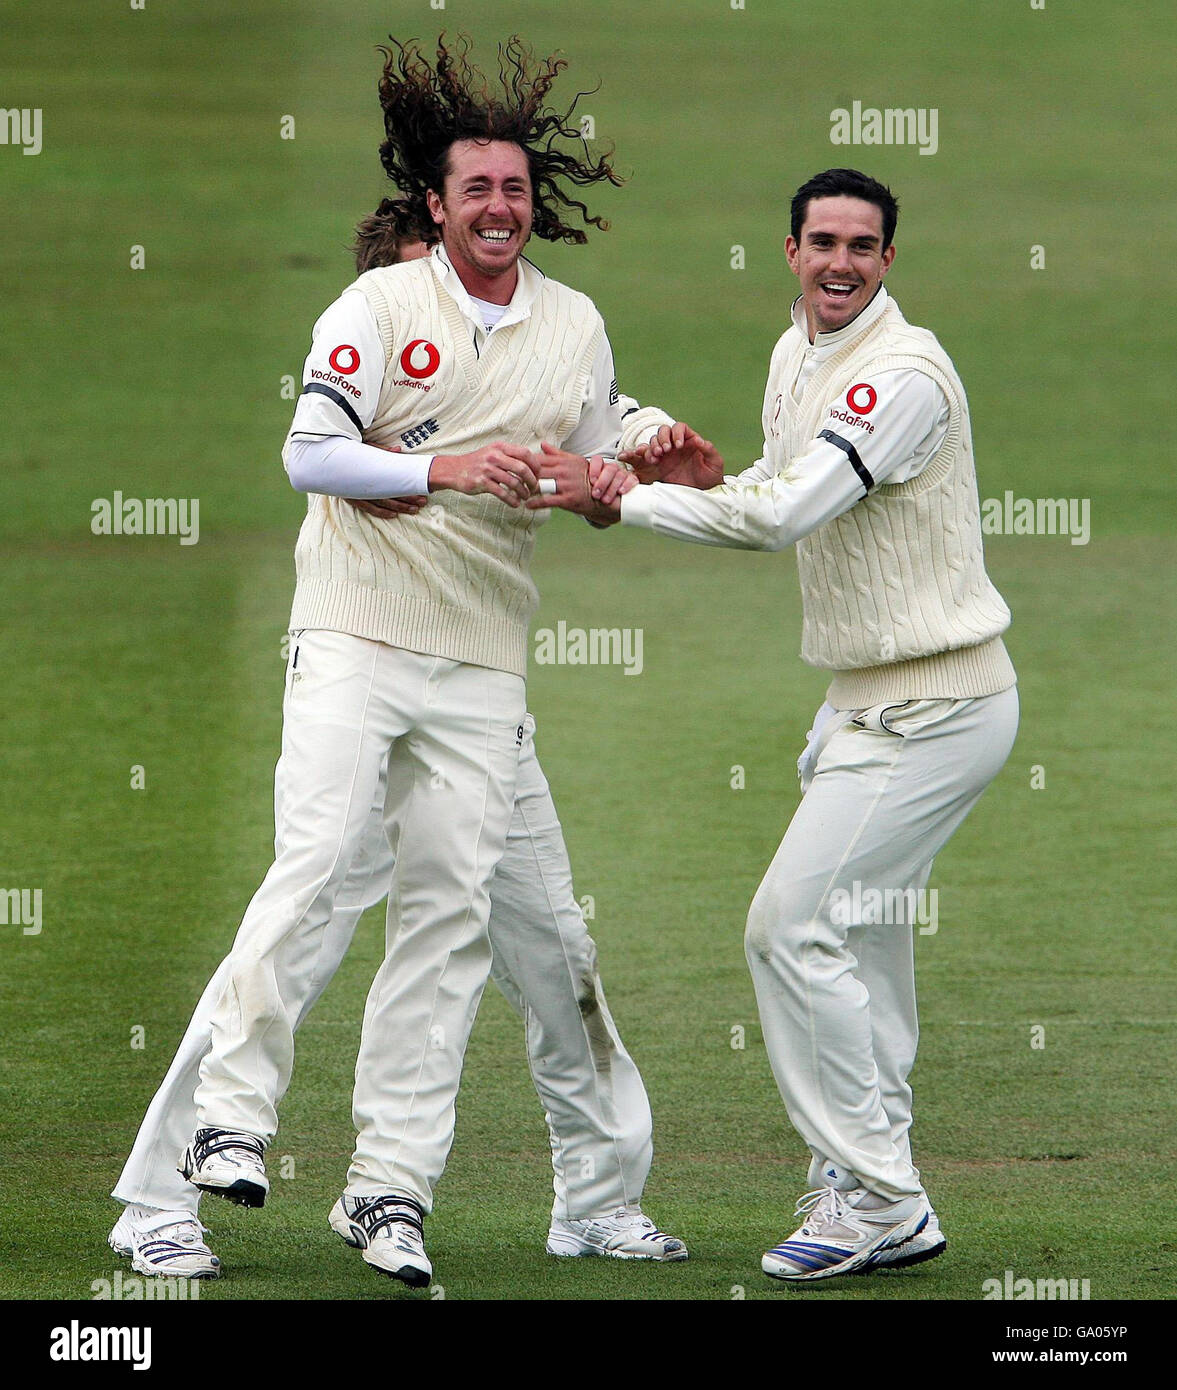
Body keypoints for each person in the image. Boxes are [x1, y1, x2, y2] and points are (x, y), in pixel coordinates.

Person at [110, 36, 694, 1291]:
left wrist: (641, 459)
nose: (500, 206)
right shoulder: (379, 309)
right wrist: (435, 468)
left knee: (457, 928)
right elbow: (309, 456)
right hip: (357, 643)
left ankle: (392, 1192)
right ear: (435, 203)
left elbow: (593, 443)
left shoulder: (573, 325)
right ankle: (206, 1144)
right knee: (314, 876)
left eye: (516, 190)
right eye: (475, 189)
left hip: (484, 670)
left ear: (537, 204)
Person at [535, 167, 1019, 1282]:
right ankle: (866, 1181)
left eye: (863, 245)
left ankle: (881, 1196)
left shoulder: (899, 376)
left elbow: (787, 516)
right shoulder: (794, 353)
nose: (840, 262)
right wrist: (698, 477)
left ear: (888, 261)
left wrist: (617, 494)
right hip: (864, 701)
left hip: (938, 705)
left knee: (786, 928)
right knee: (855, 942)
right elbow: (774, 487)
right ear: (789, 251)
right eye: (823, 243)